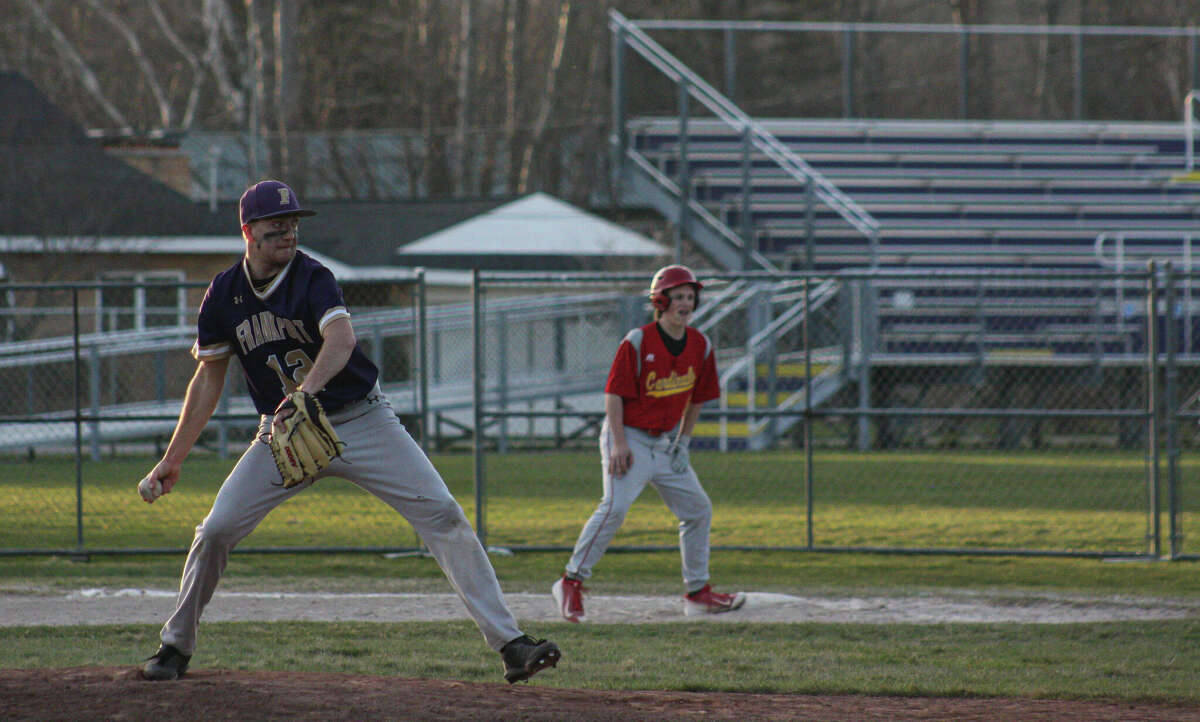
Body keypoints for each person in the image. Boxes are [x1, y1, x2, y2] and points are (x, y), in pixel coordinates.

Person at [138, 180, 559, 684]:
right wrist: (174, 456)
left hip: (362, 419)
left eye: (293, 224)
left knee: (444, 515)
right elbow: (208, 379)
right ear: (248, 231)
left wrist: (304, 395)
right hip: (283, 432)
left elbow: (340, 339)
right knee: (216, 530)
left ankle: (510, 645)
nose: (288, 234)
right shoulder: (224, 294)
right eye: (277, 227)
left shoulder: (313, 276)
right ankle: (174, 647)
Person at [552, 264, 745, 622]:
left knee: (697, 509)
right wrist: (619, 445)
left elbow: (697, 398)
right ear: (660, 300)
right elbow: (613, 396)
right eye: (678, 297)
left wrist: (684, 442)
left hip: (667, 443)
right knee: (615, 507)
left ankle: (698, 594)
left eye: (690, 297)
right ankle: (571, 582)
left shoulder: (701, 345)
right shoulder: (638, 340)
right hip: (628, 435)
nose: (685, 303)